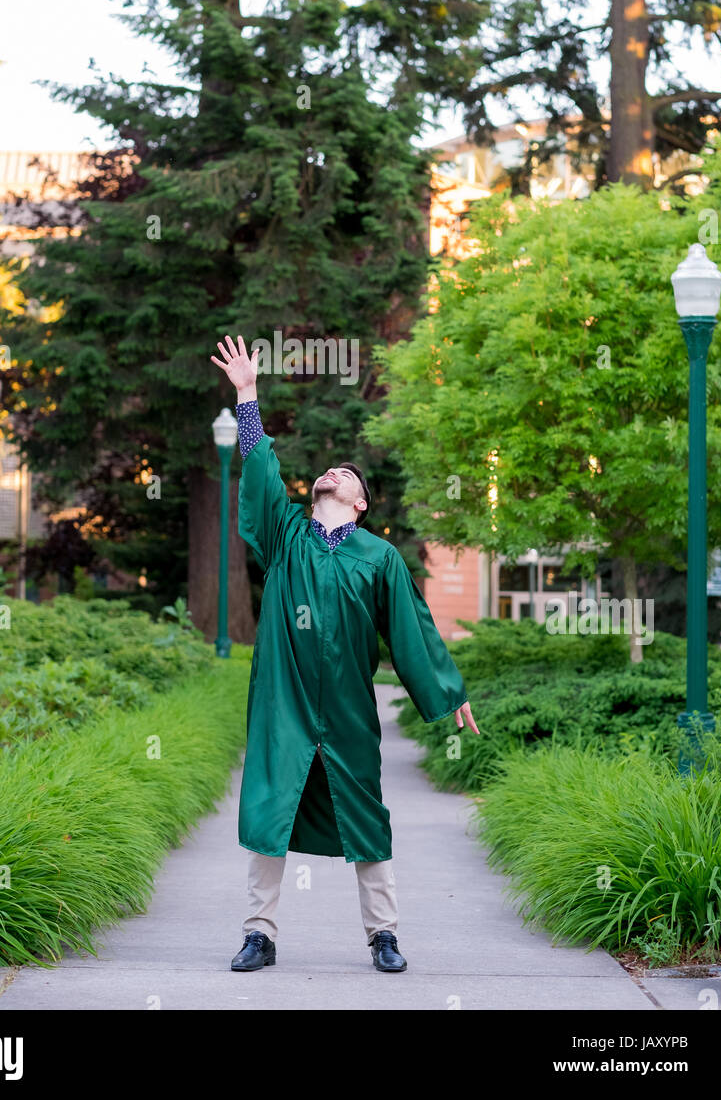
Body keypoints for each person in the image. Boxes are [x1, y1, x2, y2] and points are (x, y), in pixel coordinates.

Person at [210, 334, 480, 973]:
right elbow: (261, 474)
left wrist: (449, 690)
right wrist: (248, 394)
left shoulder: (378, 558)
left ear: (360, 503)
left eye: (348, 474)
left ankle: (383, 935)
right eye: (329, 471)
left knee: (367, 818)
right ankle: (259, 934)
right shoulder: (286, 537)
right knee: (271, 808)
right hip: (286, 704)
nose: (334, 471)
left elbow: (412, 628)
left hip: (351, 712)